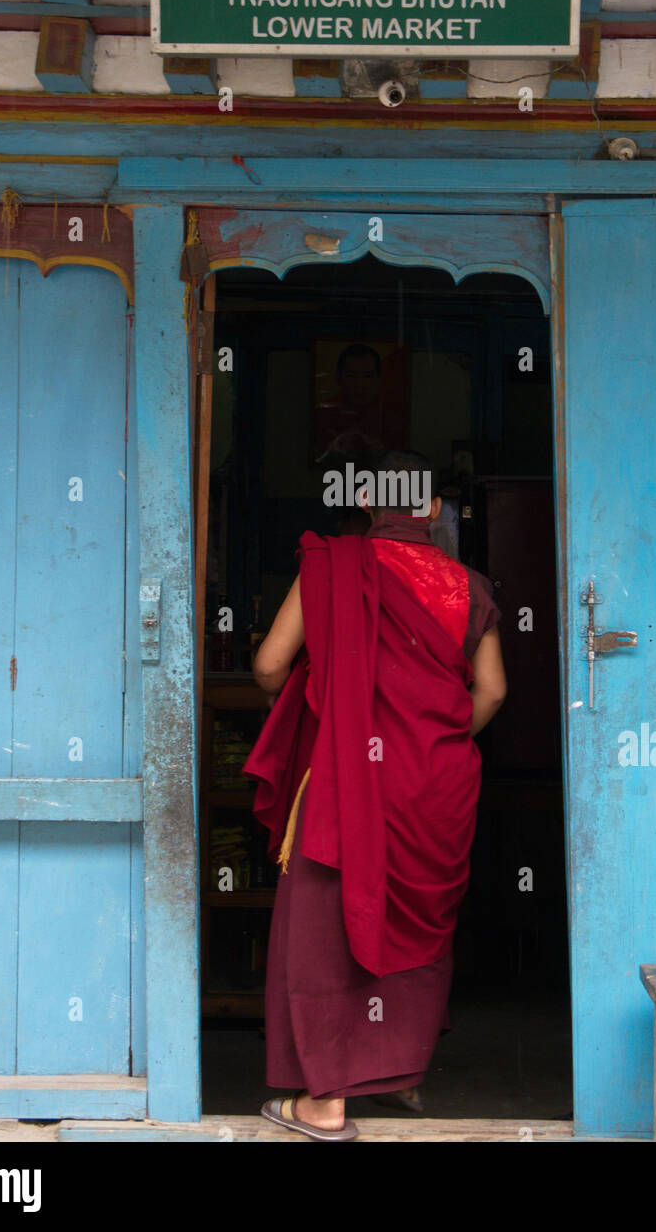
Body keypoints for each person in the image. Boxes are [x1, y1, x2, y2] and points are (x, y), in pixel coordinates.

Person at [244, 450, 507, 1141]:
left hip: (346, 780)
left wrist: (324, 702)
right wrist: (434, 735)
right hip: (435, 786)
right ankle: (398, 1075)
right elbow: (494, 692)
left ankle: (325, 1101)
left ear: (366, 502)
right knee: (411, 924)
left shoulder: (332, 569)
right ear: (428, 509)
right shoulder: (470, 587)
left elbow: (270, 666)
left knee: (329, 925)